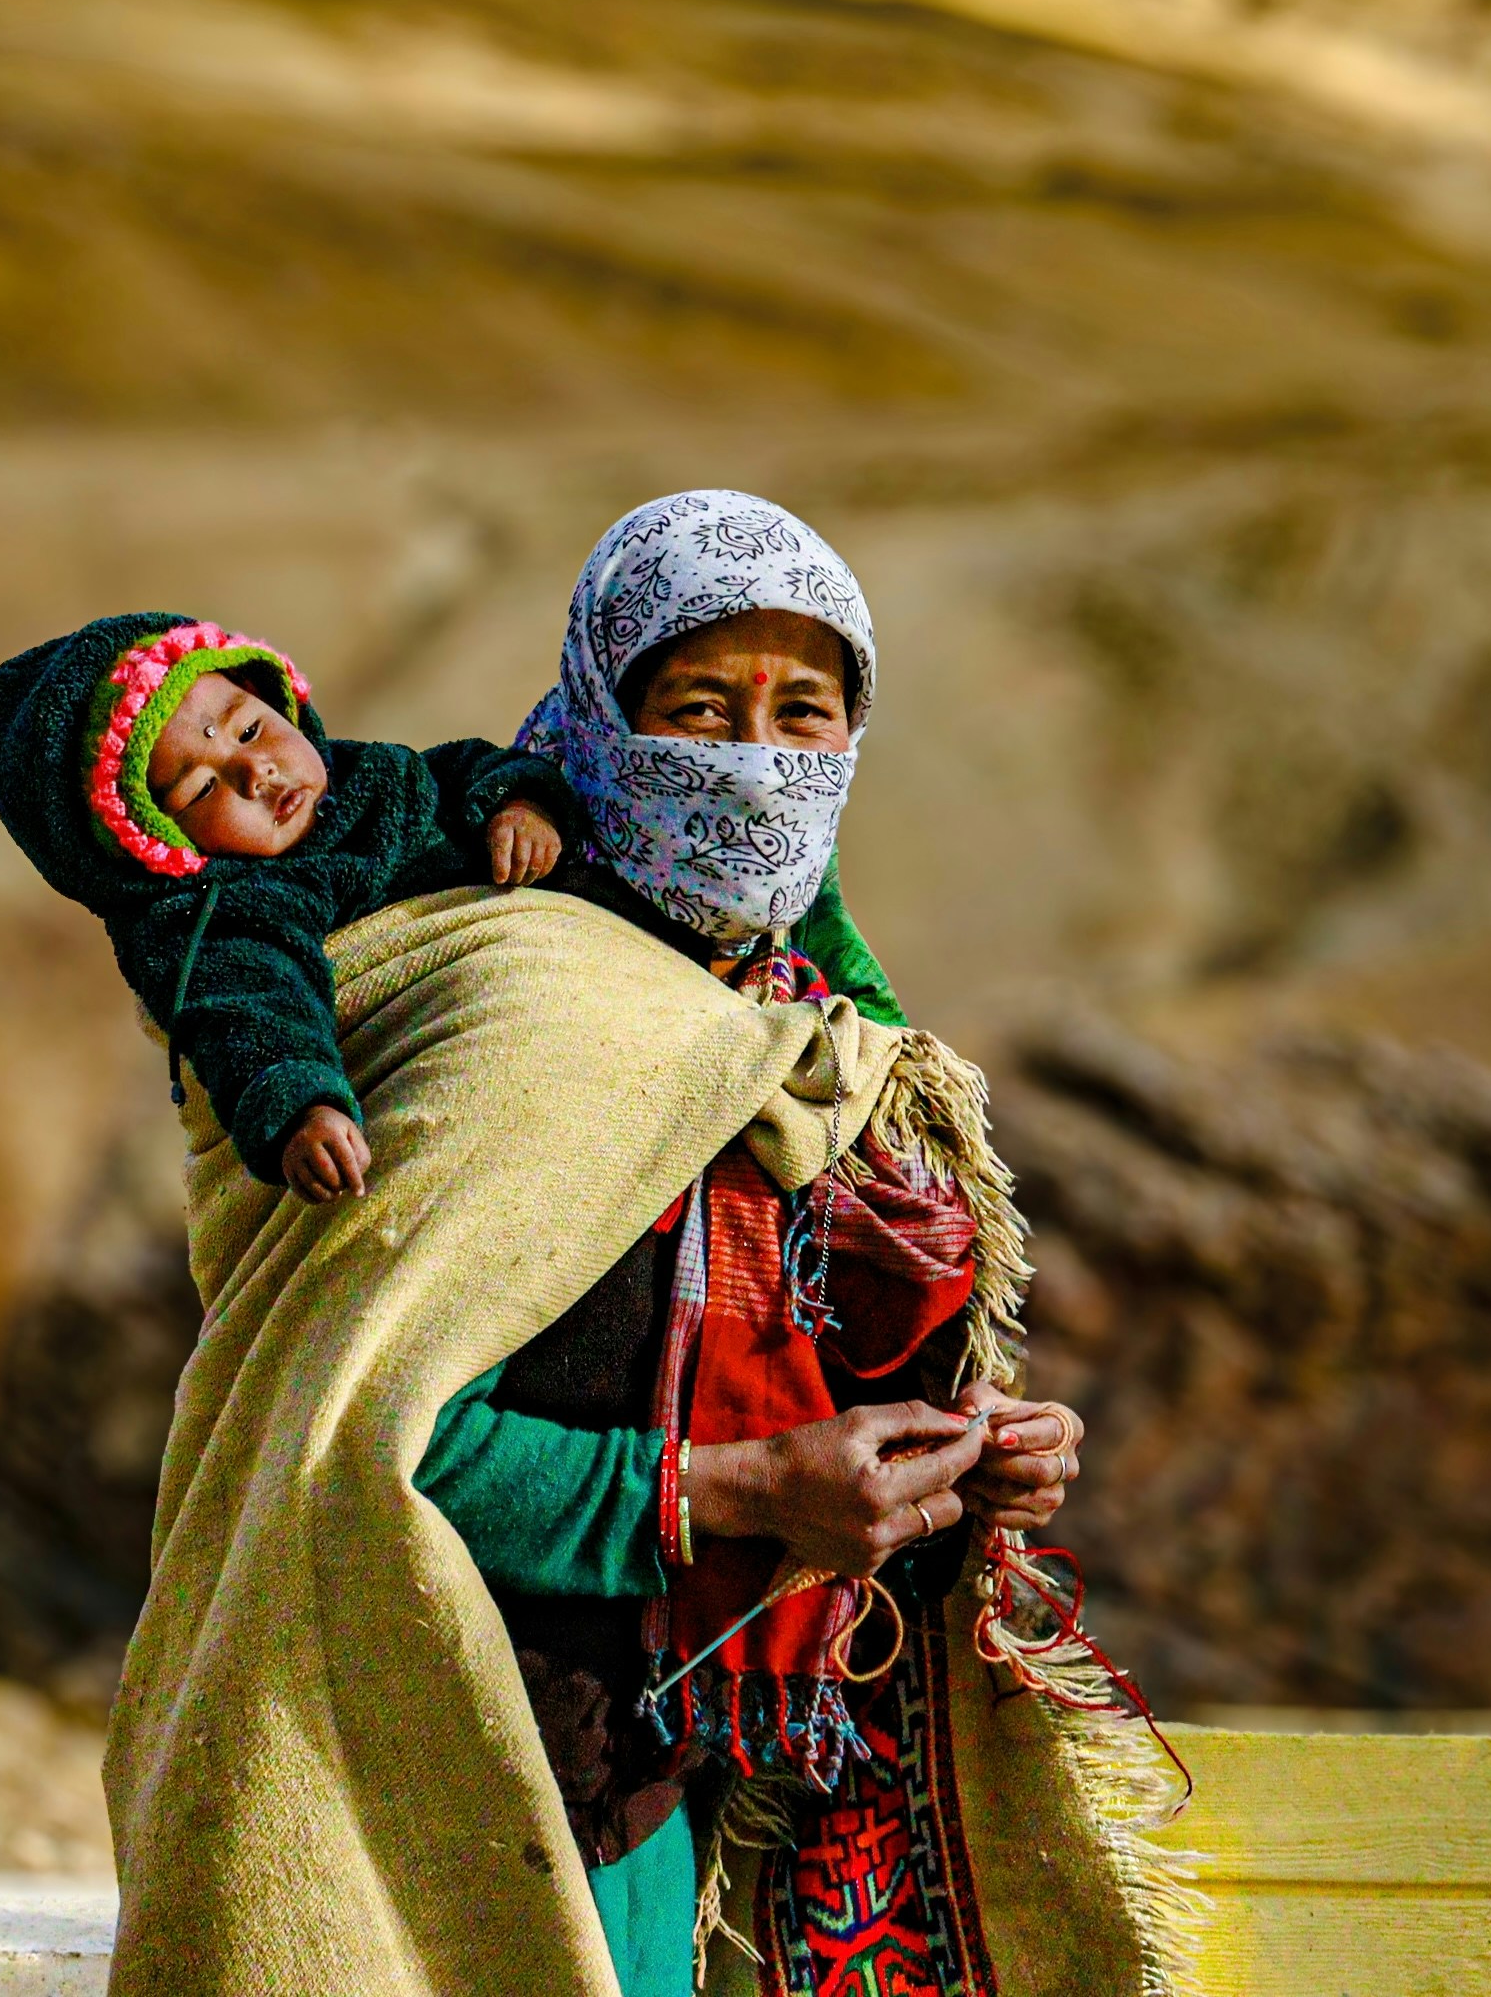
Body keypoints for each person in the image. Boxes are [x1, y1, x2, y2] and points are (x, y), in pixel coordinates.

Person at [413, 490, 1086, 1996]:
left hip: (740, 1760)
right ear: (598, 712)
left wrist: (966, 1461)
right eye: (698, 708)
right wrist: (740, 1490)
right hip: (492, 1773)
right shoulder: (511, 1011)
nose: (755, 762)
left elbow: (812, 1351)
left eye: (805, 713)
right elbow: (356, 1444)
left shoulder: (807, 1029)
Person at [0, 611, 581, 1201]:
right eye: (203, 788)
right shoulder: (220, 917)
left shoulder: (367, 776)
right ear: (156, 846)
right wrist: (302, 1110)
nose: (255, 772)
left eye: (249, 730)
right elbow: (249, 1016)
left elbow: (466, 768)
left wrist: (521, 805)